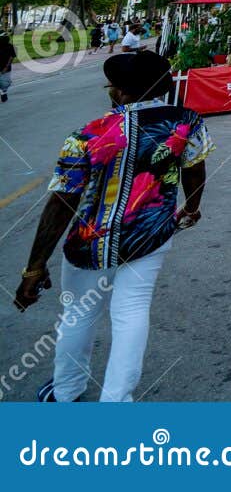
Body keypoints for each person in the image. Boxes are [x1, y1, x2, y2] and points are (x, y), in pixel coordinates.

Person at [13, 51, 212, 402]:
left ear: (120, 93)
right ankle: (116, 402)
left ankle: (66, 391)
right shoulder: (186, 121)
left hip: (89, 242)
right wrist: (190, 209)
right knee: (132, 310)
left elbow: (62, 203)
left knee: (78, 311)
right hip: (150, 234)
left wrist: (35, 266)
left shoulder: (87, 134)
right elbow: (193, 170)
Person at [0, 30, 13, 102]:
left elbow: (11, 57)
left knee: (6, 83)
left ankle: (3, 92)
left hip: (6, 68)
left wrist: (6, 67)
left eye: (6, 36)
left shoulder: (10, 46)